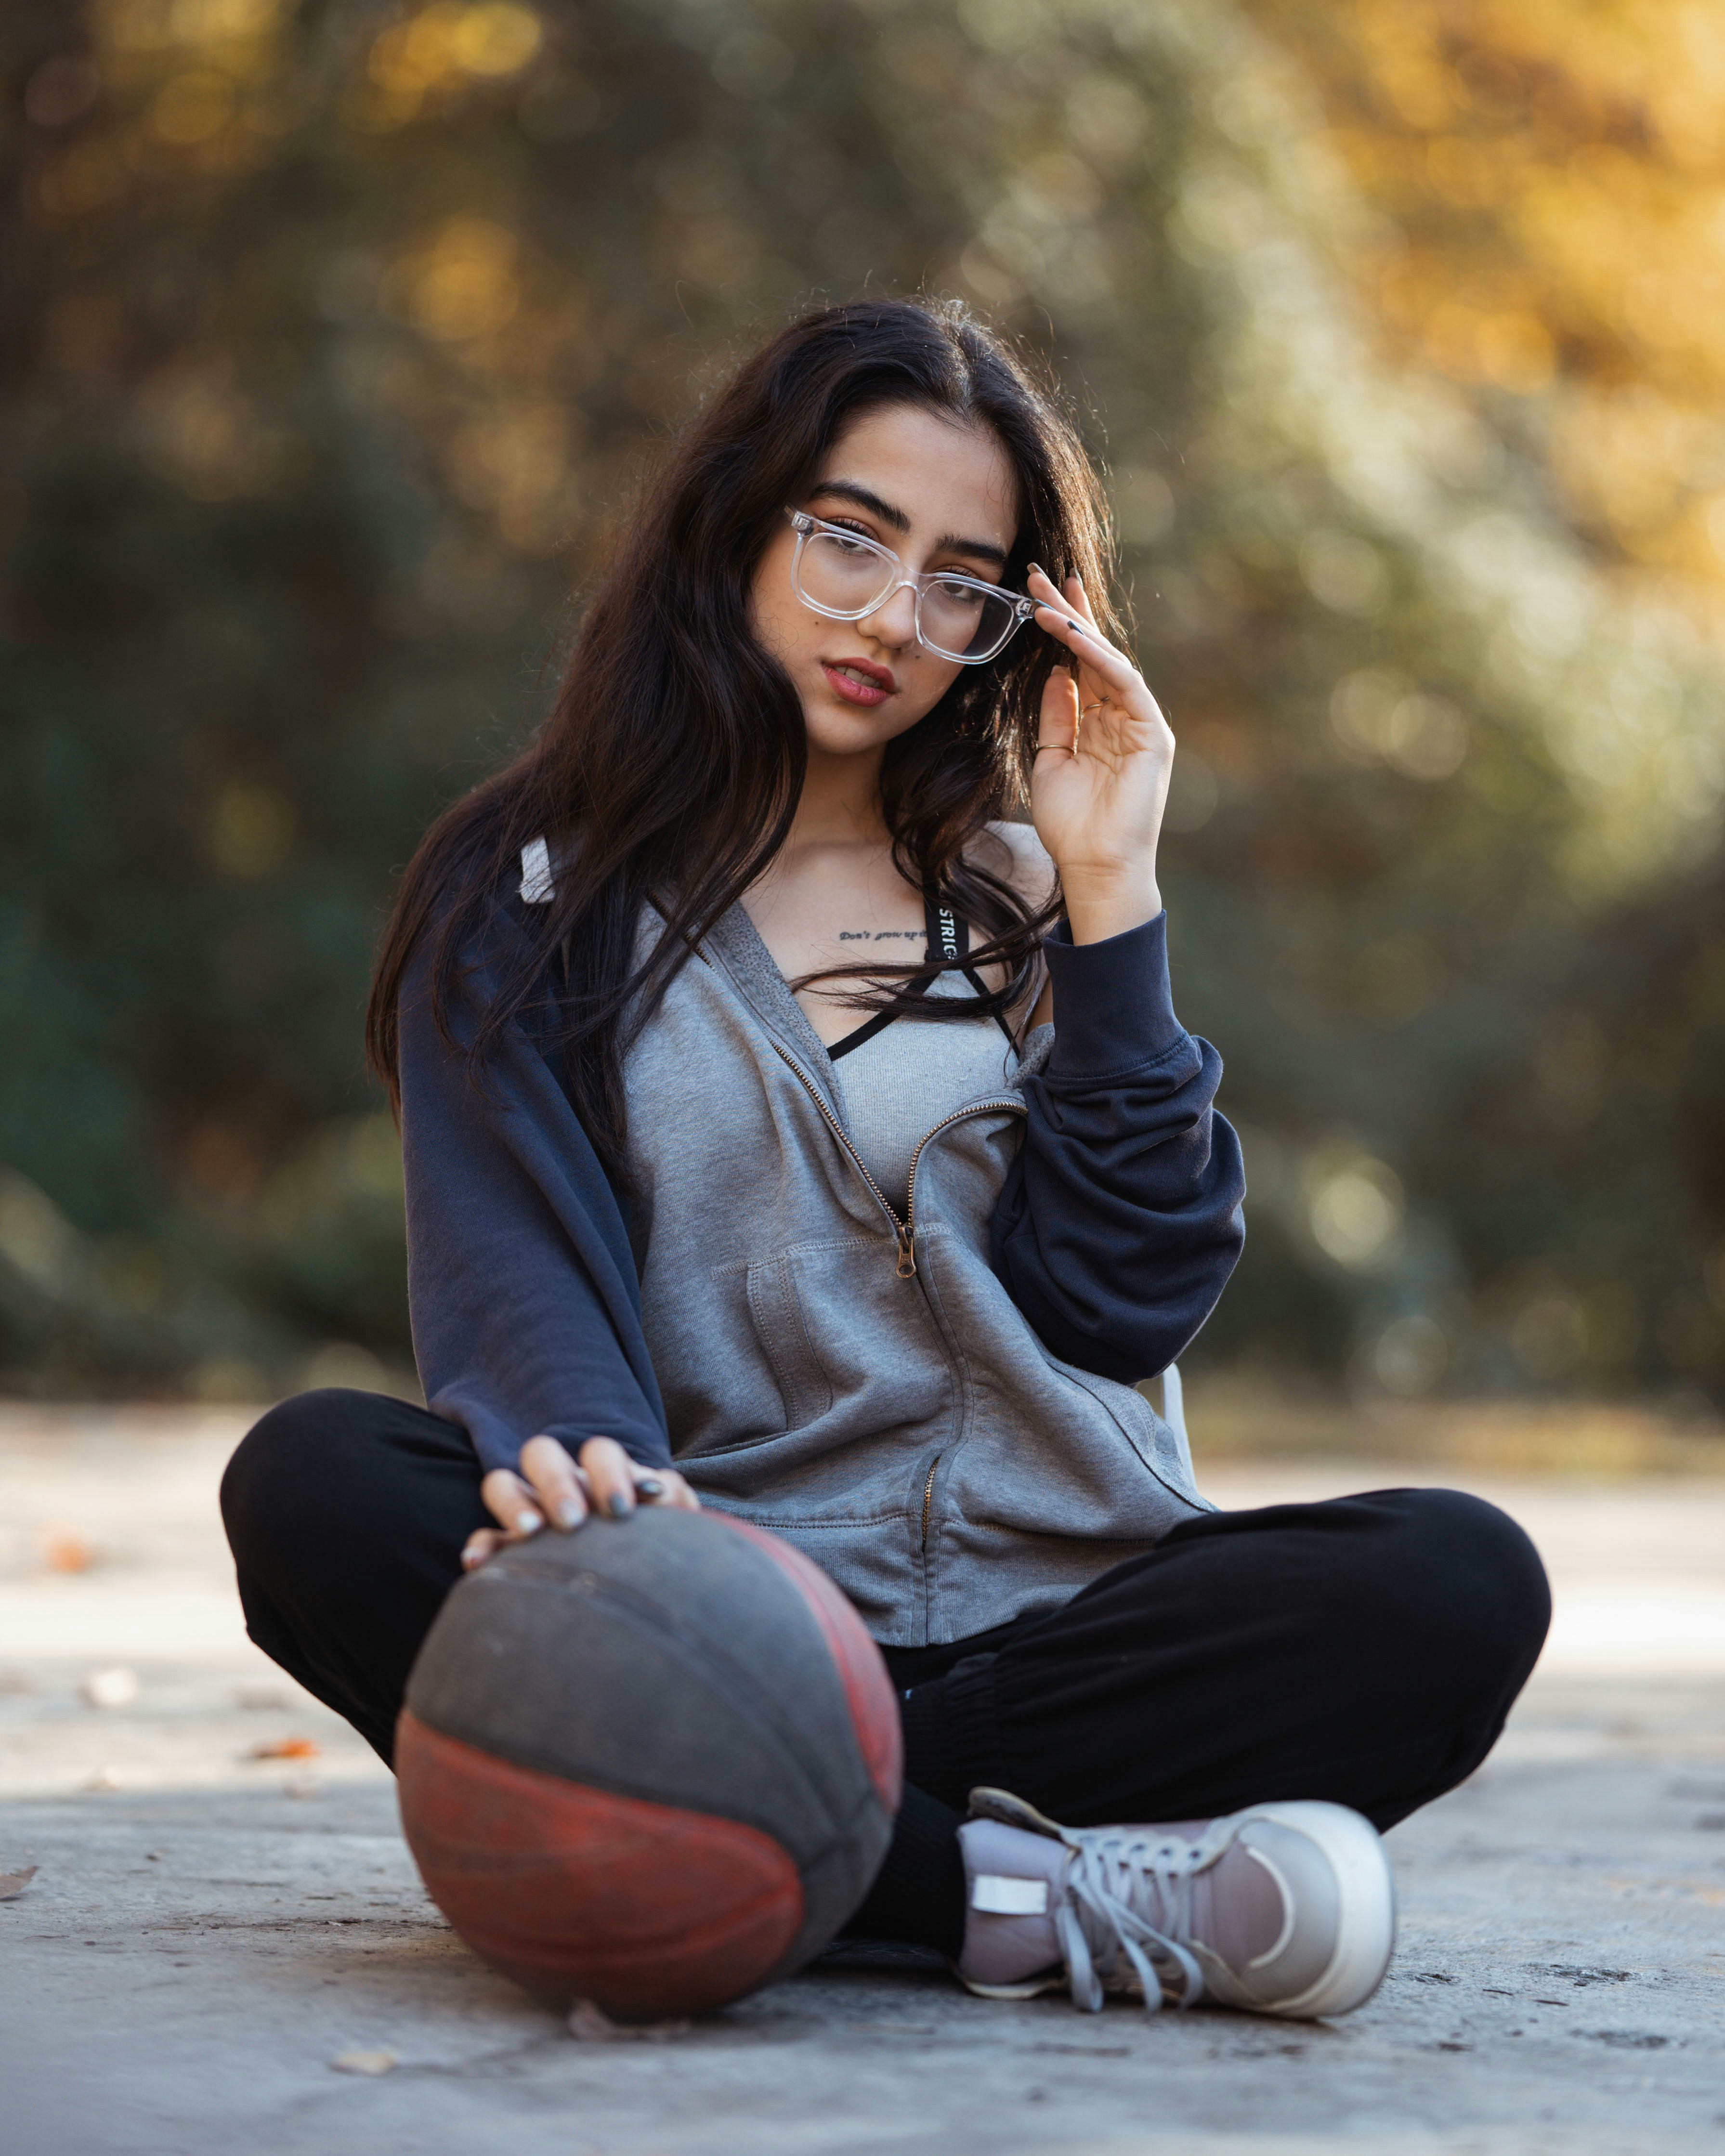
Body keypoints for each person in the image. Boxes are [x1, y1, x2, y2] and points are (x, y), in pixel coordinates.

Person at [222, 297, 1550, 2021]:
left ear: (1015, 625)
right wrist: (608, 1506)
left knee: (1455, 1581)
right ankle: (1033, 1892)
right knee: (316, 1483)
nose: (893, 618)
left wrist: (1113, 894)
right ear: (738, 520)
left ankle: (727, 1837)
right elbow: (508, 1270)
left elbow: (1123, 1297)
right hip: (722, 1599)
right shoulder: (530, 889)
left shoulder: (1023, 895)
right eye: (851, 537)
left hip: (1070, 1627)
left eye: (962, 582)